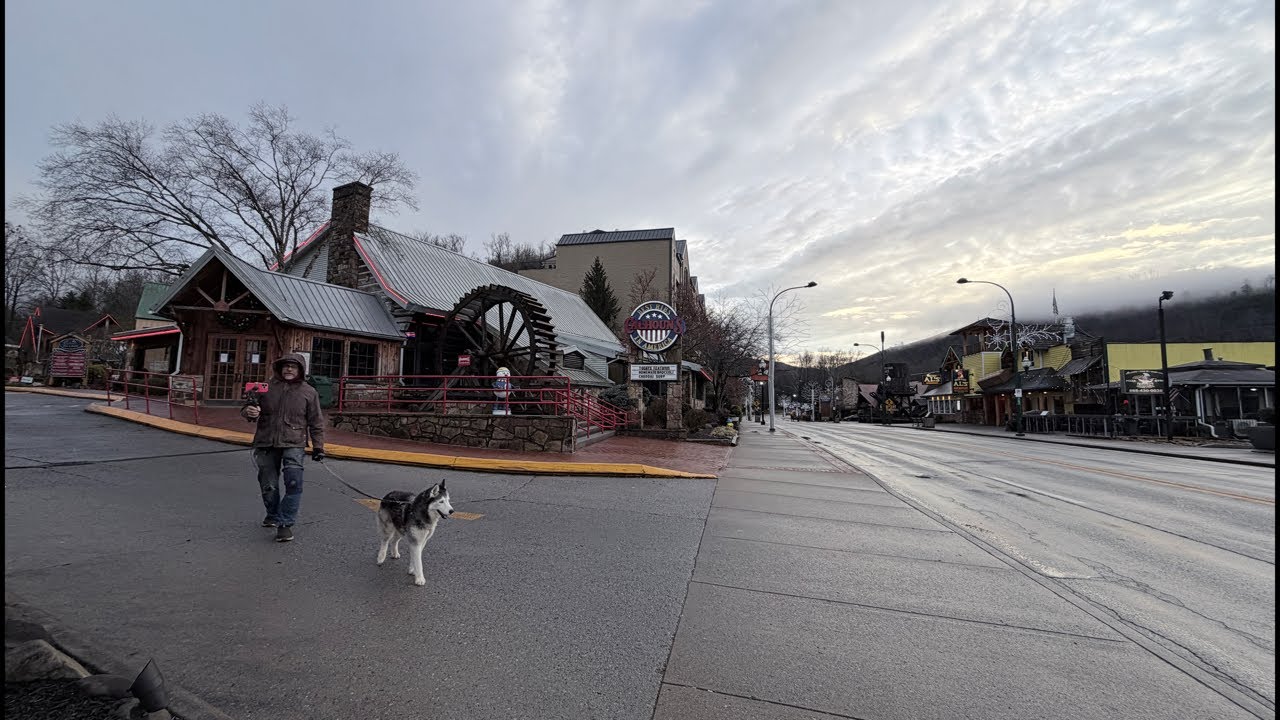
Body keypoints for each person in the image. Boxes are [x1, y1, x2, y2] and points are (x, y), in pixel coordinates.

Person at [241, 352, 326, 542]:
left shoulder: (309, 392)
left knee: (294, 482)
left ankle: (285, 524)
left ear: (300, 370)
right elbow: (247, 410)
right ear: (279, 368)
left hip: (294, 443)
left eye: (293, 366)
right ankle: (272, 514)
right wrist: (249, 412)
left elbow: (316, 422)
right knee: (268, 485)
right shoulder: (264, 388)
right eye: (285, 365)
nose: (289, 369)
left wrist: (319, 447)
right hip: (266, 442)